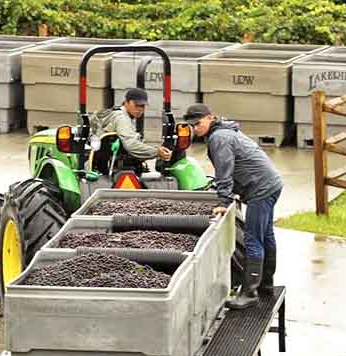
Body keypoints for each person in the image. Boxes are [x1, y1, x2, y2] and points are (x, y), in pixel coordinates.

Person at [184, 103, 283, 310]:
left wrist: (225, 201)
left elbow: (224, 171)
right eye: (192, 125)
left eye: (198, 123)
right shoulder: (226, 131)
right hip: (271, 183)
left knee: (253, 238)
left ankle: (249, 293)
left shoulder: (219, 137)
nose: (196, 128)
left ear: (210, 118)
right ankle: (265, 284)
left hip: (260, 189)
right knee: (266, 235)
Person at [89, 87, 172, 162]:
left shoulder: (119, 113)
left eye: (142, 106)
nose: (140, 109)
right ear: (126, 102)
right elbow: (131, 145)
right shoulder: (121, 117)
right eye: (136, 105)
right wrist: (156, 152)